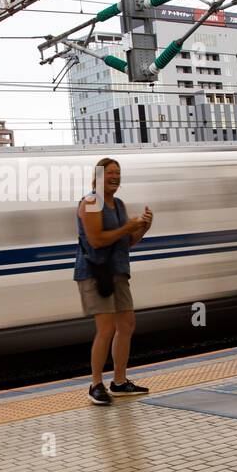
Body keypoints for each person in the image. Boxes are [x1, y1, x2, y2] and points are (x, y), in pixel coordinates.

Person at [74, 157, 152, 406]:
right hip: (96, 273)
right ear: (98, 176)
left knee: (127, 324)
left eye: (118, 172)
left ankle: (119, 382)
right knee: (106, 329)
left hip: (118, 271)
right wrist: (128, 226)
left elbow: (124, 242)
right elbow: (97, 240)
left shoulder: (118, 204)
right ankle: (95, 384)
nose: (115, 176)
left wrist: (142, 228)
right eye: (110, 172)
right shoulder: (91, 203)